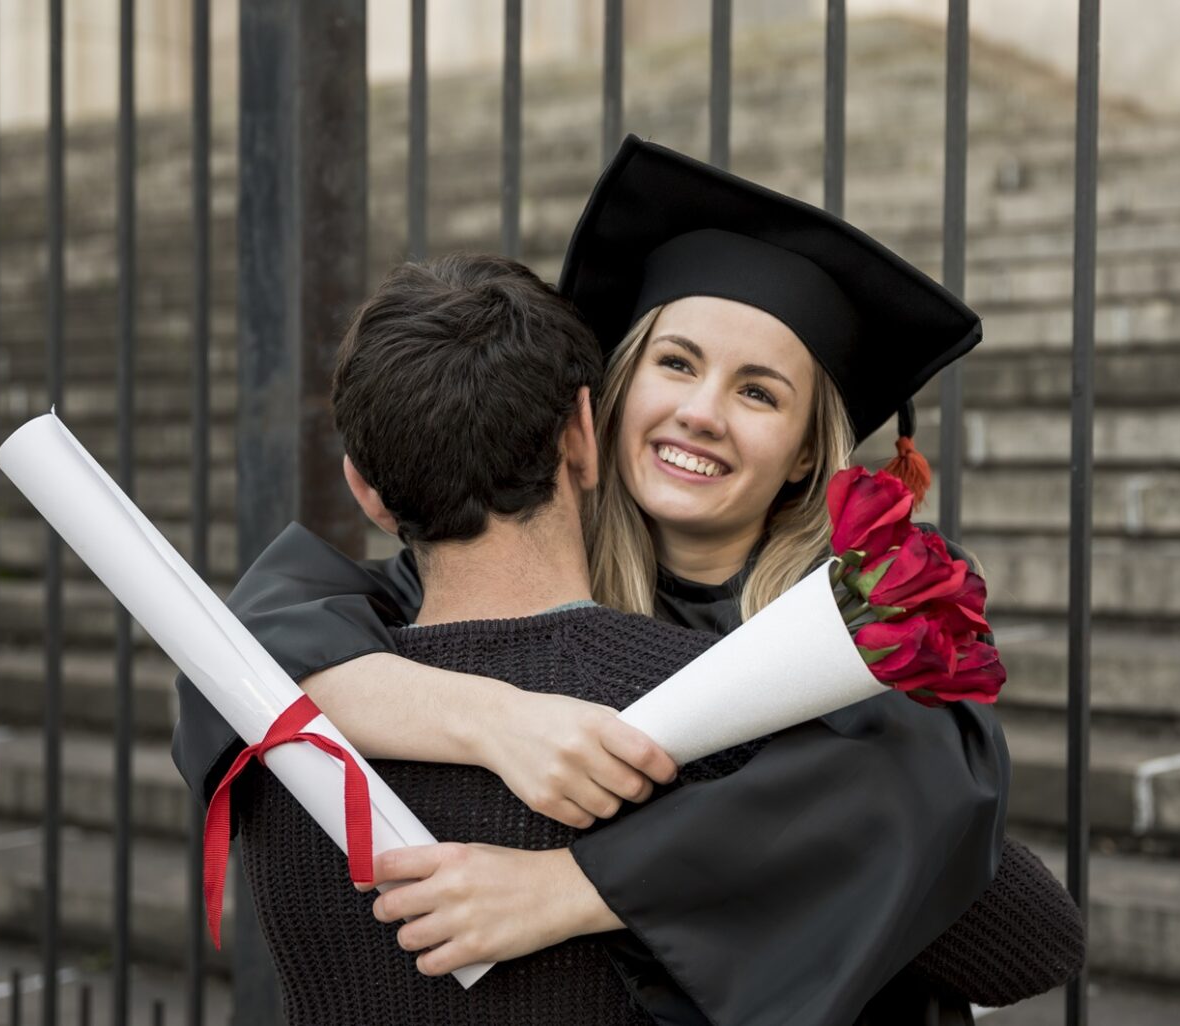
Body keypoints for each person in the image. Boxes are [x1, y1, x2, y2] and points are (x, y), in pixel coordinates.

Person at [177, 139, 1084, 1023]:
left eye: (759, 393)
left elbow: (962, 844)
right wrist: (497, 719)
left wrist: (575, 888)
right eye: (677, 363)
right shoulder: (455, 595)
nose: (700, 412)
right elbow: (244, 651)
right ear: (603, 397)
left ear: (811, 451)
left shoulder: (851, 650)